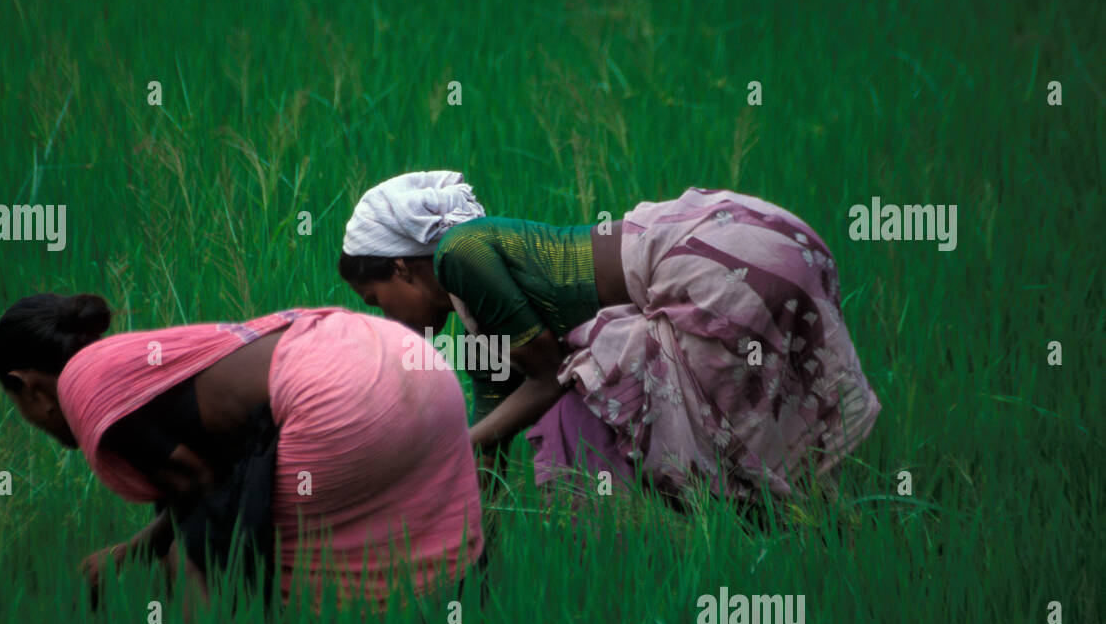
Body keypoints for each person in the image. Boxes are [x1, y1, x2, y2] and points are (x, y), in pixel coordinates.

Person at [338, 170, 880, 504]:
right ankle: (819, 538)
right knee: (751, 458)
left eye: (376, 301)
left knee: (720, 458)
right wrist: (474, 563)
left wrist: (450, 446)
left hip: (715, 266)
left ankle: (807, 540)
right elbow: (492, 433)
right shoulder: (476, 308)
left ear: (404, 270)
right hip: (752, 243)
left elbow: (547, 378)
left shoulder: (460, 252)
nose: (388, 321)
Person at [0, 294, 484, 614]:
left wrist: (136, 555)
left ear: (26, 387)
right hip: (408, 362)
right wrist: (134, 550)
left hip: (338, 394)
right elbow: (202, 478)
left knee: (205, 561)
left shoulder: (84, 387)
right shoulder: (129, 358)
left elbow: (199, 486)